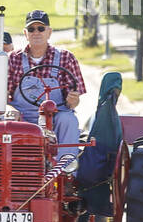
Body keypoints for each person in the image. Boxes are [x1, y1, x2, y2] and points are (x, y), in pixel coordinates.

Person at [6, 10, 85, 153]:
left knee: (69, 120)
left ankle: (65, 170)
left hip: (55, 115)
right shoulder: (12, 58)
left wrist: (73, 99)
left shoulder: (66, 58)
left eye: (41, 28)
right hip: (22, 116)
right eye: (31, 29)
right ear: (25, 33)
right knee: (3, 123)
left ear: (49, 32)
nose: (36, 32)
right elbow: (3, 97)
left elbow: (73, 101)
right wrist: (10, 109)